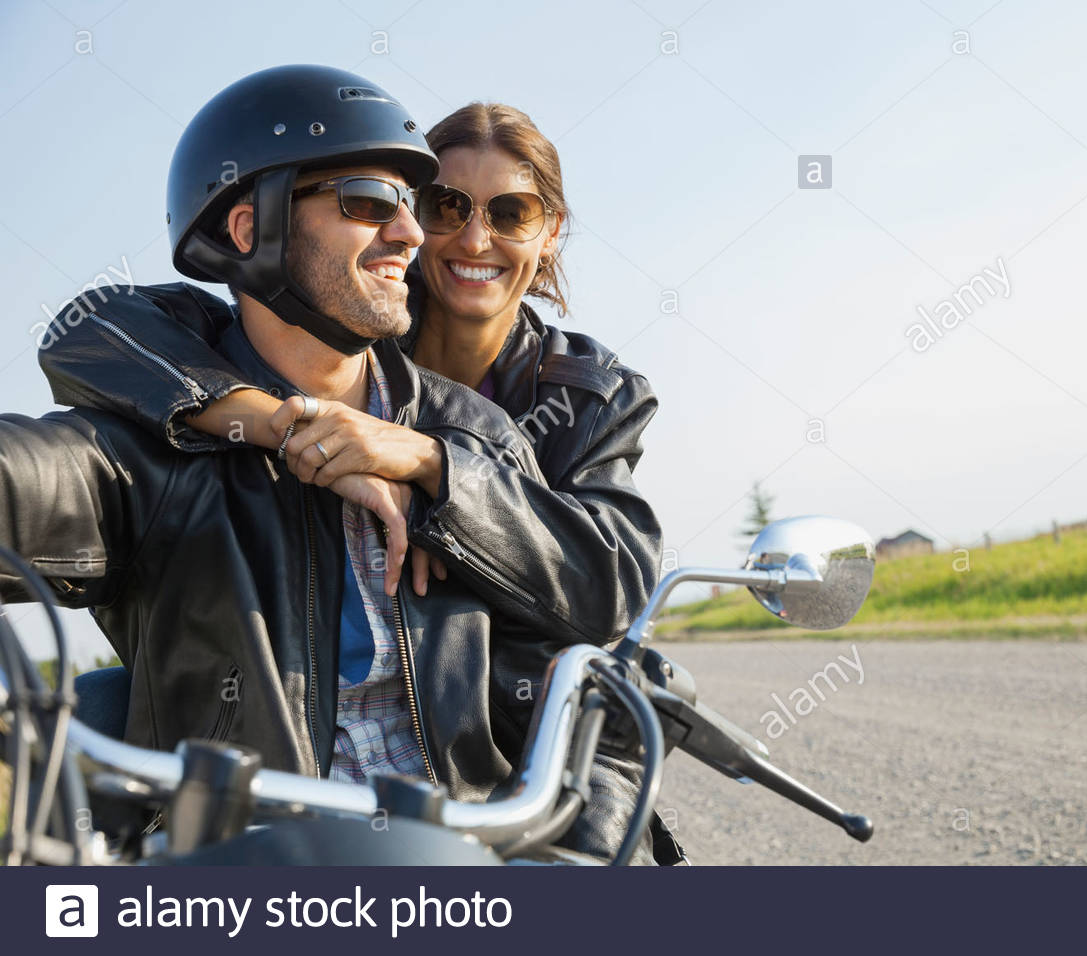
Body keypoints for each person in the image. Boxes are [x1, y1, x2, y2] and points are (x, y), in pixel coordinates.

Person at [0, 64, 663, 863]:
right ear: (251, 230)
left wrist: (433, 470)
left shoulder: (484, 434)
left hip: (465, 850)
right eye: (372, 202)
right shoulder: (157, 442)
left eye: (511, 212)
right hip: (245, 864)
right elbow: (51, 436)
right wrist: (284, 429)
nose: (420, 235)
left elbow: (598, 595)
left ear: (549, 230)